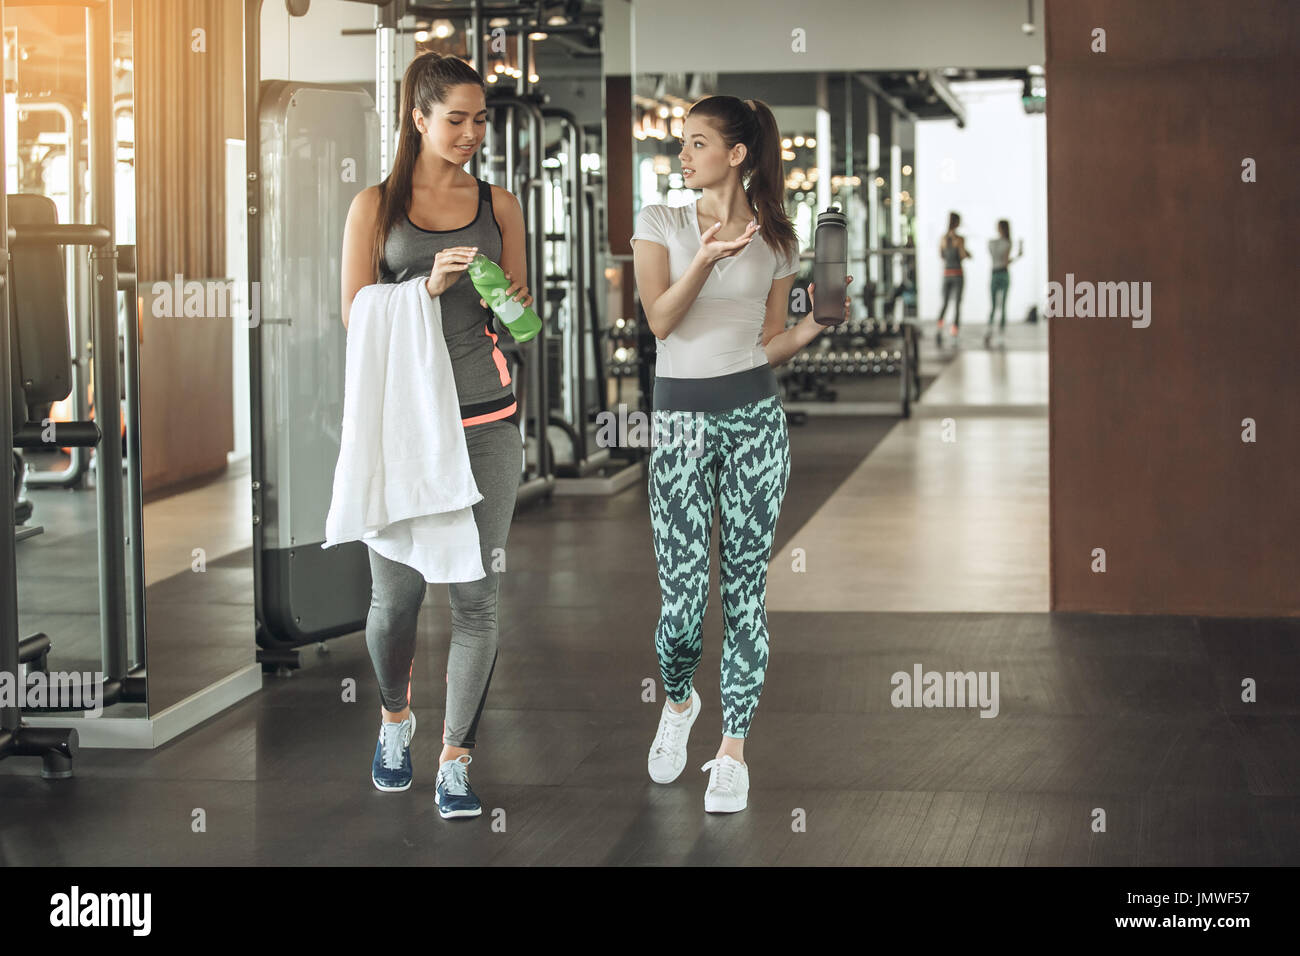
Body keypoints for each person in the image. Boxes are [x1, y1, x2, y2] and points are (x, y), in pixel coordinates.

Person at [630, 95, 851, 813]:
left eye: (697, 143)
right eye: (681, 143)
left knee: (745, 591)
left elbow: (766, 343)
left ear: (737, 154)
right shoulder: (660, 223)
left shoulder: (779, 240)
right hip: (679, 426)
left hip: (754, 420)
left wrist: (817, 323)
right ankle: (680, 702)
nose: (682, 156)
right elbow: (661, 322)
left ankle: (733, 751)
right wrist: (705, 258)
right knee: (681, 609)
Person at [339, 52, 530, 820]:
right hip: (404, 428)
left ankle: (456, 759)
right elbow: (354, 314)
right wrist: (426, 288)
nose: (472, 133)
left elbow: (521, 328)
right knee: (396, 600)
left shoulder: (500, 205)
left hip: (486, 421)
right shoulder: (374, 207)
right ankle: (394, 720)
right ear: (418, 118)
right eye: (457, 119)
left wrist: (508, 303)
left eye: (481, 119)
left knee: (478, 598)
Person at [983, 219, 1023, 348]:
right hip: (1001, 273)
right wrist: (1018, 255)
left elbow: (1003, 260)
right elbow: (1005, 261)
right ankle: (996, 333)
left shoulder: (998, 243)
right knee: (998, 305)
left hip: (998, 273)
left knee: (997, 305)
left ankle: (994, 332)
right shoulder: (1003, 243)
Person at [936, 211, 970, 346]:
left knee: (946, 303)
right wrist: (964, 250)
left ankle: (941, 328)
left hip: (948, 273)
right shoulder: (958, 239)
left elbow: (941, 255)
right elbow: (962, 255)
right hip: (957, 274)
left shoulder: (944, 238)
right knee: (956, 303)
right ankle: (952, 331)